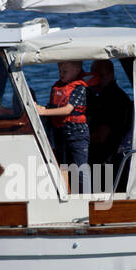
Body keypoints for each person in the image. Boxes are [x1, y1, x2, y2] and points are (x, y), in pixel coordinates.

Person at [35, 60, 90, 193]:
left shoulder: (79, 88)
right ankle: (67, 193)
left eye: (65, 71)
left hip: (77, 134)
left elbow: (67, 110)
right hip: (61, 133)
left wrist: (44, 112)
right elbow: (54, 107)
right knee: (63, 165)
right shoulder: (58, 87)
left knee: (80, 167)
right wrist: (40, 108)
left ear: (77, 70)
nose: (61, 74)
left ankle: (86, 197)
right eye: (60, 71)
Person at [85, 58, 133, 188]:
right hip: (101, 158)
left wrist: (77, 140)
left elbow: (102, 136)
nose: (96, 79)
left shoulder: (114, 99)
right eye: (93, 76)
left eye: (100, 75)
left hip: (107, 160)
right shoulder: (97, 96)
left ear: (110, 75)